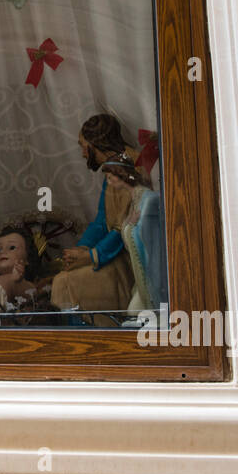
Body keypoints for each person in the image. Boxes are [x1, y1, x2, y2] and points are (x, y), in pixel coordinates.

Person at [51, 113, 165, 326]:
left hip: (126, 261)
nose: (83, 153)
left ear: (96, 144)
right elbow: (103, 220)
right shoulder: (115, 166)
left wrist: (92, 255)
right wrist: (82, 249)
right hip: (112, 253)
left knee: (64, 283)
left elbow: (123, 227)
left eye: (84, 146)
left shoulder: (123, 170)